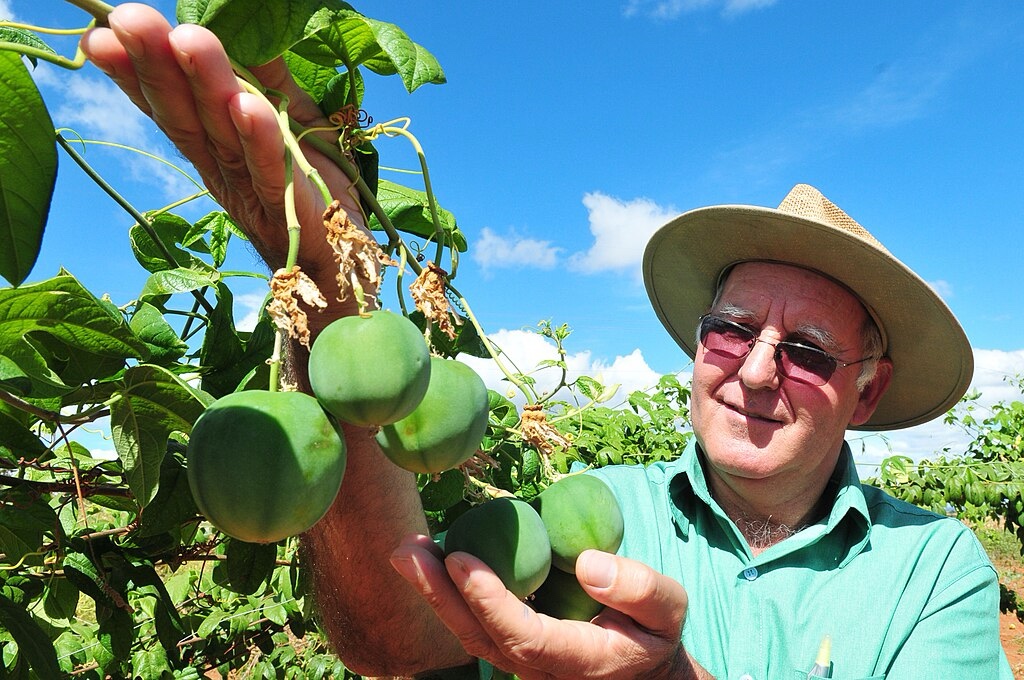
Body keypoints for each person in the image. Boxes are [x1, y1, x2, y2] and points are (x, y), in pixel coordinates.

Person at [81, 5, 1011, 679]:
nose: (758, 368)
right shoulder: (591, 510)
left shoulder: (932, 570)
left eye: (807, 350)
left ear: (869, 392)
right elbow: (399, 640)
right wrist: (331, 281)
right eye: (731, 329)